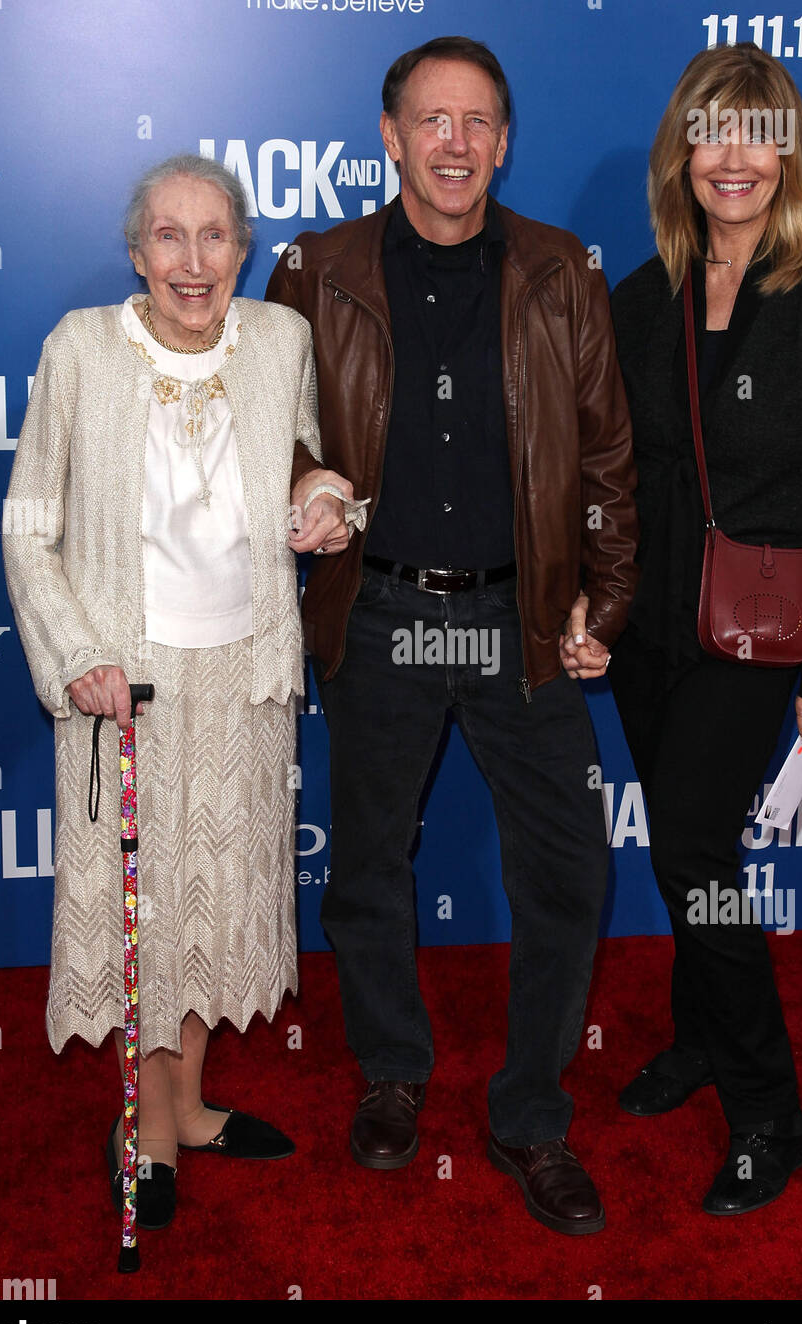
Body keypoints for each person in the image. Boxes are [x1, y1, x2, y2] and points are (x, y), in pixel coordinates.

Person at [267, 36, 637, 1237]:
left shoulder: (556, 270)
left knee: (570, 870)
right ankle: (390, 1067)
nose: (456, 142)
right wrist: (307, 479)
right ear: (389, 136)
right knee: (369, 858)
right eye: (432, 119)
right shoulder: (316, 270)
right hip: (375, 611)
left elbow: (604, 453)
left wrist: (604, 599)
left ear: (504, 142)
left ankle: (529, 1112)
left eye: (478, 121)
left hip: (515, 616)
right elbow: (264, 432)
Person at [564, 44, 802, 1214]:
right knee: (687, 846)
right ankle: (702, 1038)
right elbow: (610, 472)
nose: (734, 157)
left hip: (760, 634)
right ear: (681, 152)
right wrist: (590, 603)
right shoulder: (642, 295)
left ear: (789, 152)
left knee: (694, 848)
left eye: (758, 132)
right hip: (649, 625)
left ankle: (769, 1111)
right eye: (712, 131)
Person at [3, 153, 353, 1231]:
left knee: (217, 911)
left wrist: (330, 498)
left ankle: (191, 1106)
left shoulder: (279, 343)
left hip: (243, 680)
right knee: (143, 922)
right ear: (134, 250)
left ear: (243, 250)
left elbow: (307, 462)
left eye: (215, 238)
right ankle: (146, 1131)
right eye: (169, 236)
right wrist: (74, 655)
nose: (192, 262)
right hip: (127, 687)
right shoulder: (79, 349)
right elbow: (29, 523)